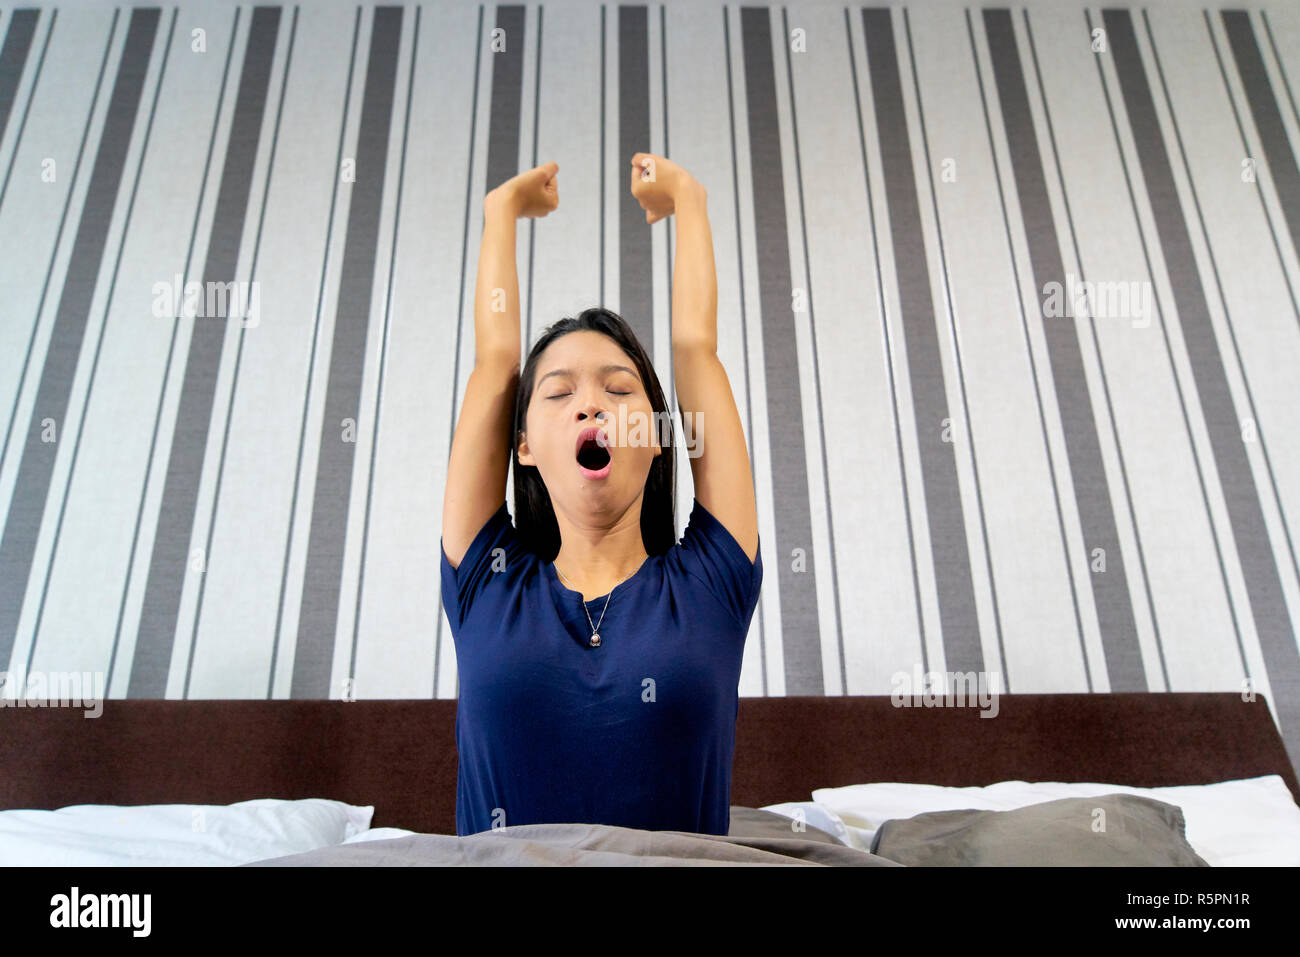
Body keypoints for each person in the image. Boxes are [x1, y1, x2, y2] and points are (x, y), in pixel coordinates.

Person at [440, 154, 763, 837]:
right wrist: (501, 213)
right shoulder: (484, 578)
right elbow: (496, 361)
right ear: (521, 443)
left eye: (619, 390)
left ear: (656, 433)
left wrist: (690, 203)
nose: (591, 404)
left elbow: (695, 350)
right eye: (559, 393)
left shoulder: (712, 578)